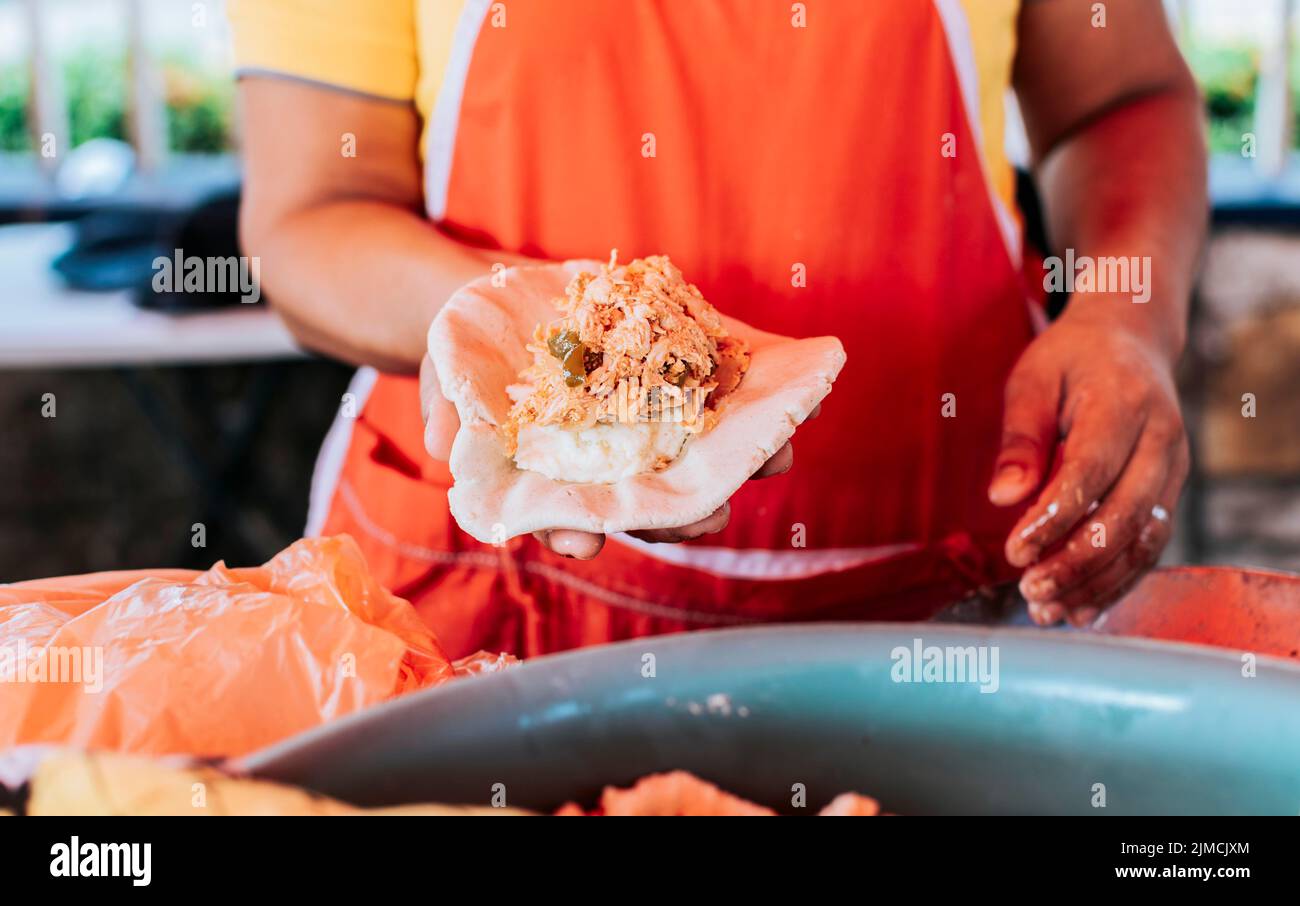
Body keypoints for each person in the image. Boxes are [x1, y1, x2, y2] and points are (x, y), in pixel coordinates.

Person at [229, 0, 1206, 659]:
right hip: (499, 590)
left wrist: (1127, 314)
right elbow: (310, 213)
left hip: (937, 590)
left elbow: (1119, 101)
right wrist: (514, 325)